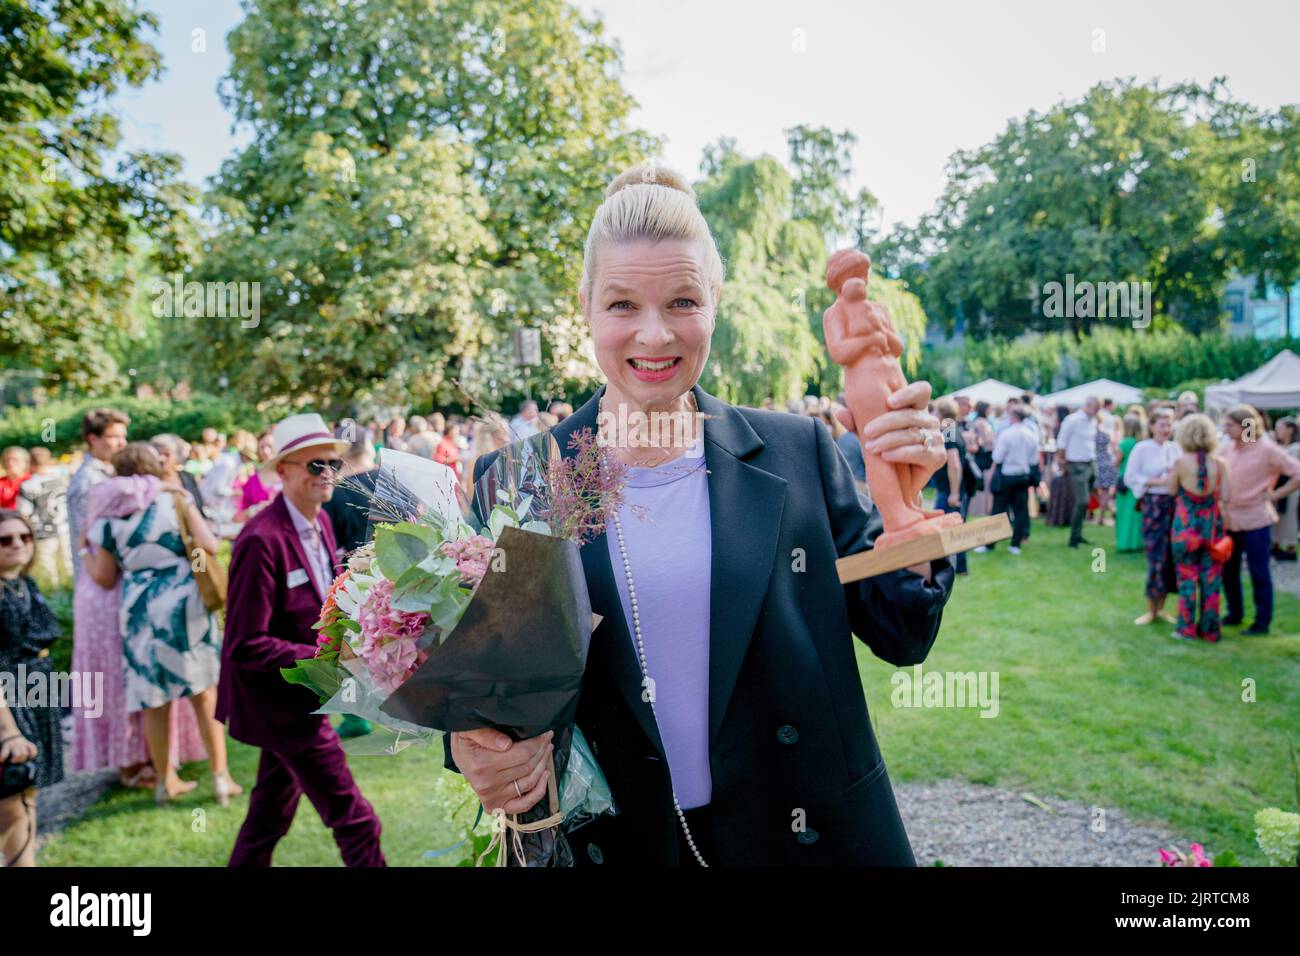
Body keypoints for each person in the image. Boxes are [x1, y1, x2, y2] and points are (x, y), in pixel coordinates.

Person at [445, 162, 954, 866]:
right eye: (622, 305)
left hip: (809, 838)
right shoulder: (522, 479)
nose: (654, 337)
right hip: (618, 846)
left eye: (683, 302)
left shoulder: (795, 450)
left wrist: (909, 511)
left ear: (715, 300)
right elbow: (482, 681)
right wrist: (468, 747)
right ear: (586, 304)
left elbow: (903, 633)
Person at [217, 413, 385, 866]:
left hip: (300, 696)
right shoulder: (260, 539)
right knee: (357, 821)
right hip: (279, 705)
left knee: (269, 815)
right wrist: (327, 657)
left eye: (332, 464)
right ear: (284, 470)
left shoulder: (322, 523)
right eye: (315, 466)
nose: (327, 474)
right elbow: (244, 642)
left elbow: (323, 607)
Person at [86, 444, 237, 804]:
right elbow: (209, 546)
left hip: (138, 608)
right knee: (204, 693)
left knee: (154, 700)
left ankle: (164, 782)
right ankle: (221, 778)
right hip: (184, 601)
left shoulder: (107, 517)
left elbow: (105, 577)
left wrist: (82, 552)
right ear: (154, 468)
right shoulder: (175, 499)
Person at [0, 510, 64, 866]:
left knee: (29, 791)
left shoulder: (24, 583)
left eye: (24, 537)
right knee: (10, 800)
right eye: (5, 539)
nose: (17, 545)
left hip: (37, 691)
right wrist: (7, 731)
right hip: (8, 701)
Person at [1220, 405, 1300, 635]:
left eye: (1230, 425)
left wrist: (1275, 494)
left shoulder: (1266, 449)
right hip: (1230, 518)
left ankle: (1262, 621)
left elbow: (1297, 472)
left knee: (1259, 571)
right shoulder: (1227, 450)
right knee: (1229, 570)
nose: (1226, 429)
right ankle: (1235, 613)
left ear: (1245, 425)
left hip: (1256, 518)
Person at [1165, 415, 1229, 642]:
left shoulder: (1181, 463)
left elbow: (1171, 491)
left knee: (1187, 578)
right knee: (1211, 581)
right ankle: (1210, 629)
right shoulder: (1220, 464)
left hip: (1185, 528)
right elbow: (1226, 497)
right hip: (1212, 528)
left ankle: (1186, 628)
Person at [1124, 409, 1180, 626]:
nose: (1166, 429)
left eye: (1169, 425)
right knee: (1155, 556)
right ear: (1152, 426)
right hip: (1153, 505)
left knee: (1169, 557)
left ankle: (1162, 607)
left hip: (1173, 506)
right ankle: (1151, 609)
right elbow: (1131, 477)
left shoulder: (1174, 448)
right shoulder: (1142, 448)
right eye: (1162, 425)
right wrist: (1156, 482)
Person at [980, 405, 1036, 555]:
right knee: (1020, 511)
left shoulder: (1007, 434)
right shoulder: (1031, 434)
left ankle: (990, 544)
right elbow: (1033, 458)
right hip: (1022, 476)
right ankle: (1015, 544)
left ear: (1013, 417)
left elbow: (997, 457)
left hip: (1007, 475)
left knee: (997, 510)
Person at [17, 448, 72, 593]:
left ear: (30, 463)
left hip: (43, 531)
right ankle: (71, 589)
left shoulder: (28, 485)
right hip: (65, 527)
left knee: (48, 565)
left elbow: (24, 512)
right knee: (69, 562)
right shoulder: (62, 479)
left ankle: (55, 594)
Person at [931, 398, 969, 572]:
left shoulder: (948, 429)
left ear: (941, 413)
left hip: (949, 490)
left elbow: (954, 463)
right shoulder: (954, 429)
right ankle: (958, 567)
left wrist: (954, 493)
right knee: (954, 528)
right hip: (951, 489)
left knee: (948, 528)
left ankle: (954, 567)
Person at [1055, 397, 1099, 547]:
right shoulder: (1072, 420)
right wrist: (1062, 460)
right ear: (1087, 405)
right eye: (1095, 407)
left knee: (1085, 502)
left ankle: (1078, 534)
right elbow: (1061, 442)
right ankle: (1073, 538)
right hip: (1076, 464)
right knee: (1082, 501)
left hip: (1089, 462)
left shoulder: (1092, 421)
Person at [150, 434, 206, 515]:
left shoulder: (188, 477)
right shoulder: (149, 480)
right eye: (158, 454)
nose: (161, 459)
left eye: (167, 454)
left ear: (177, 457)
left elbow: (198, 505)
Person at [234, 430, 282, 522]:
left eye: (270, 446)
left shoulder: (290, 475)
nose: (266, 451)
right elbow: (239, 516)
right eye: (262, 447)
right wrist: (254, 510)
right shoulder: (252, 481)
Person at [1270, 417, 1300, 561]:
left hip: (1291, 488)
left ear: (1290, 430)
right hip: (1278, 486)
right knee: (1278, 518)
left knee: (1289, 519)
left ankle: (1290, 547)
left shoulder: (1296, 448)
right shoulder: (1278, 447)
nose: (1277, 432)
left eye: (1280, 428)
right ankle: (1276, 545)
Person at [1114, 415, 1145, 553]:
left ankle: (1124, 542)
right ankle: (1136, 542)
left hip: (1125, 481)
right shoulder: (1142, 443)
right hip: (1138, 481)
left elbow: (1116, 462)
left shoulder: (1125, 443)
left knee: (1124, 513)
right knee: (1136, 513)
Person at [1092, 413, 1118, 526]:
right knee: (1105, 492)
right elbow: (1113, 448)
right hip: (1107, 462)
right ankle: (1106, 513)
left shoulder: (1091, 434)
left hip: (1096, 463)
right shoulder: (1107, 433)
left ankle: (1103, 515)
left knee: (1096, 490)